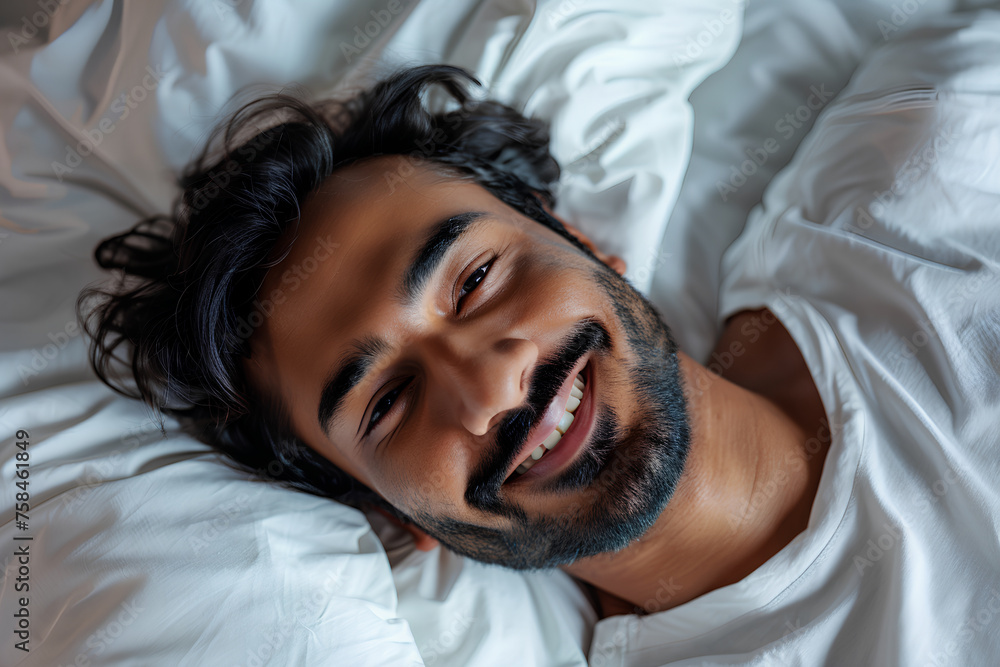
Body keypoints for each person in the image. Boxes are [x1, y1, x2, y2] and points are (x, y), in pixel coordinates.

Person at [81, 47, 1000, 664]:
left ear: (581, 240)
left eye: (474, 279)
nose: (491, 385)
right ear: (394, 514)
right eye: (389, 401)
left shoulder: (918, 180)